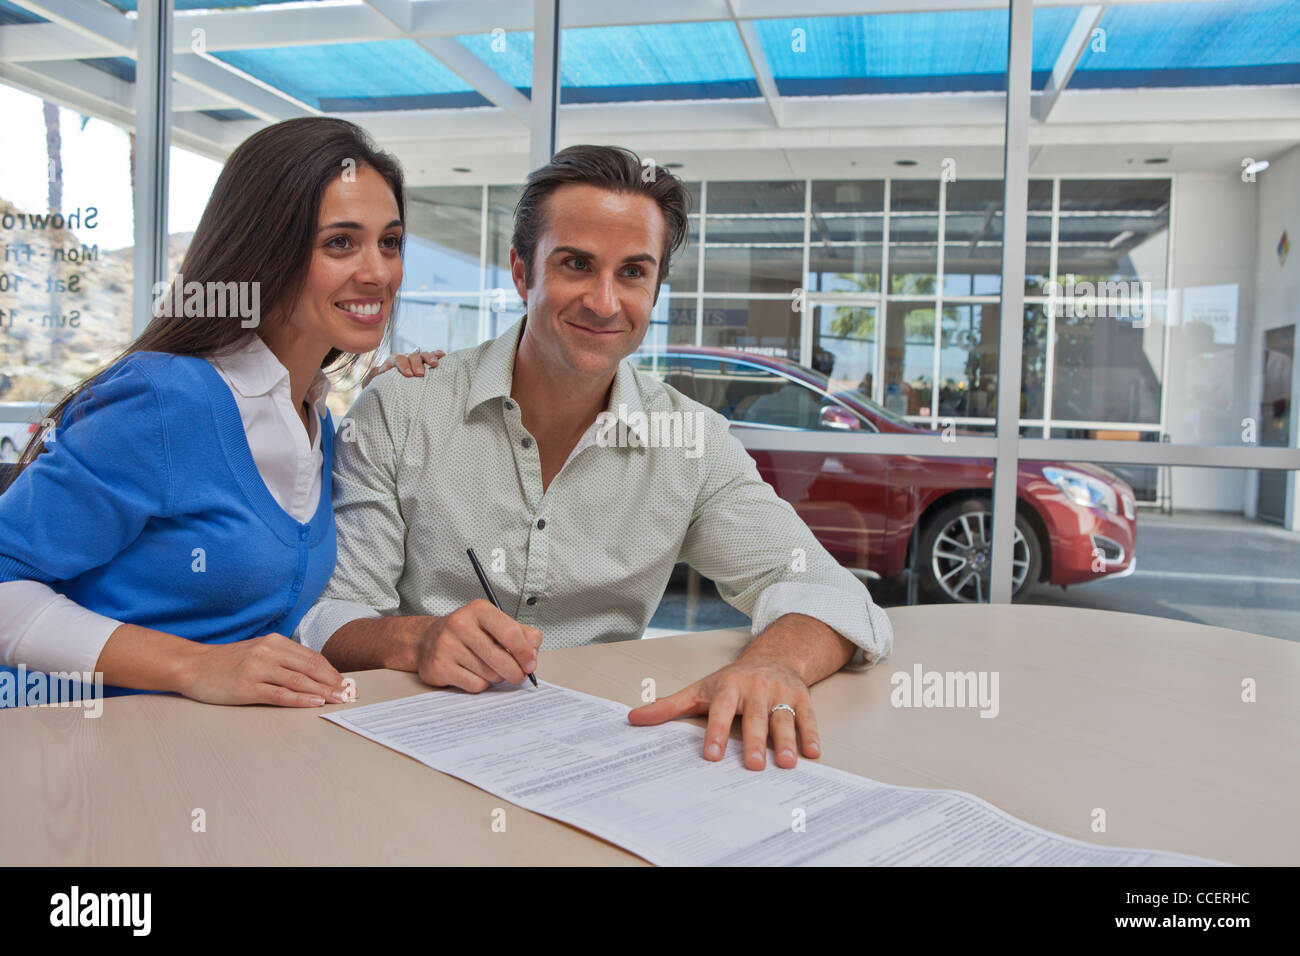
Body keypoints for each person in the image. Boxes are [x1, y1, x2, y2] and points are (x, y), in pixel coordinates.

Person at [296, 145, 893, 771]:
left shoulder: (691, 442)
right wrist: (417, 638)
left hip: (602, 756)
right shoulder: (406, 407)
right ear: (523, 274)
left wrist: (772, 664)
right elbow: (329, 614)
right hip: (417, 748)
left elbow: (829, 591)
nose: (605, 302)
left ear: (656, 289)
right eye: (577, 264)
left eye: (632, 272)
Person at [0, 117, 439, 707]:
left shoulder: (316, 419)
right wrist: (194, 666)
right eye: (340, 242)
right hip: (83, 757)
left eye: (390, 241)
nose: (379, 272)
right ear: (266, 249)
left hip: (220, 758)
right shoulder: (166, 397)